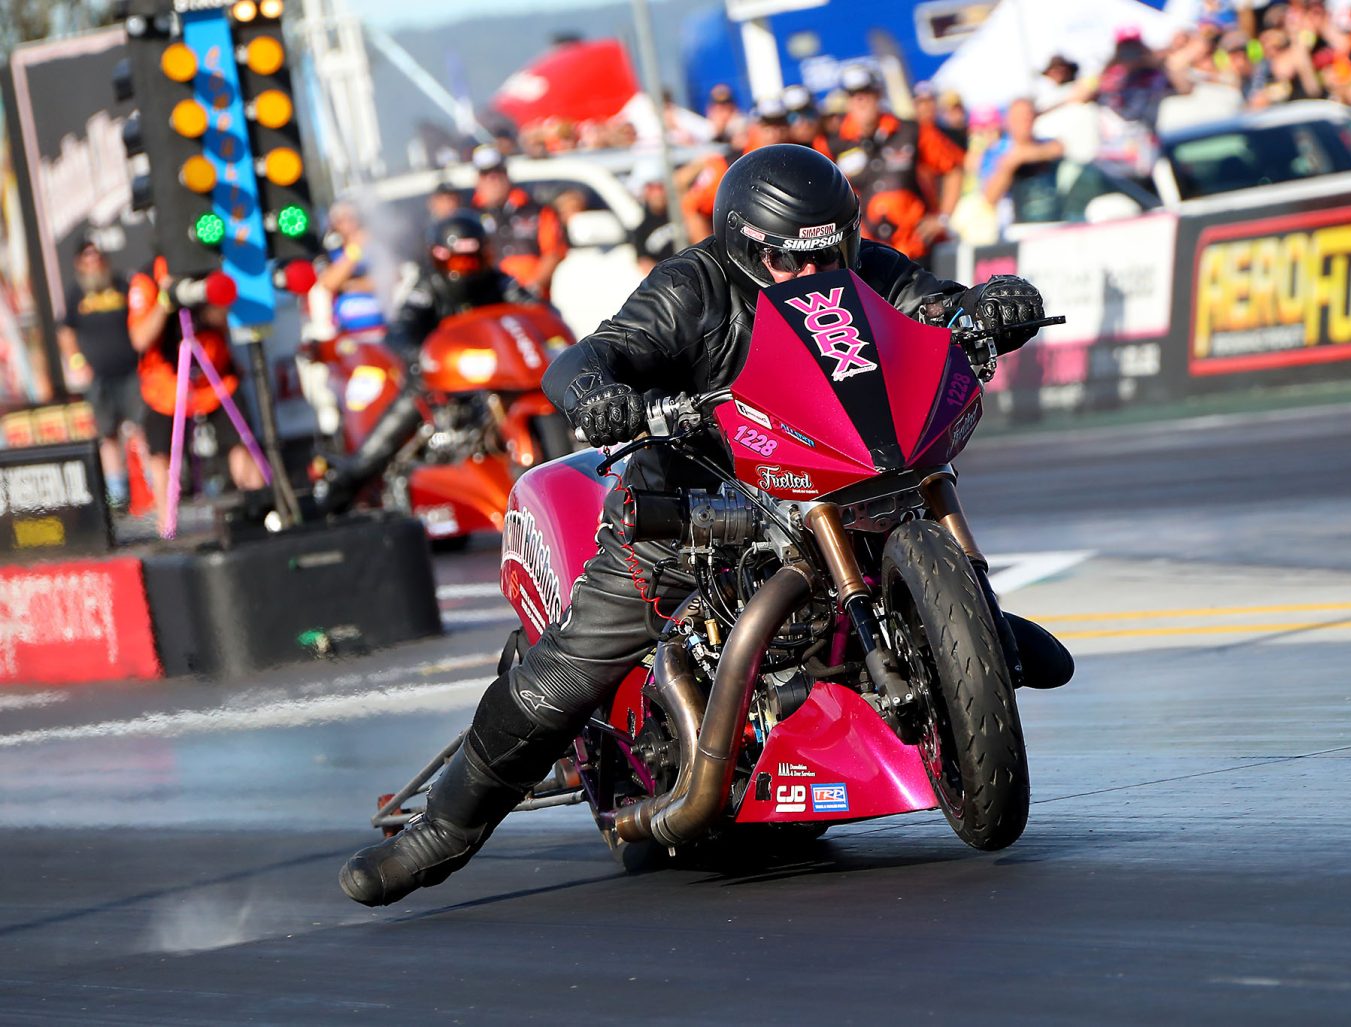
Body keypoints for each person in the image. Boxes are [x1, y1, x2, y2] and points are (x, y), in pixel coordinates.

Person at [338, 144, 1075, 908]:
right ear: (743, 244)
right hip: (698, 514)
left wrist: (987, 306)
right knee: (565, 672)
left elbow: (931, 304)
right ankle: (441, 833)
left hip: (838, 491)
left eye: (833, 250)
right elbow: (593, 354)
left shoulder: (863, 269)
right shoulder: (690, 288)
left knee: (914, 501)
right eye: (791, 259)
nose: (815, 272)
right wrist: (600, 392)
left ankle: (965, 628)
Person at [316, 212, 541, 512]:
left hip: (500, 373)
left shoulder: (501, 283)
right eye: (459, 263)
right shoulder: (427, 287)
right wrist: (418, 357)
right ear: (440, 260)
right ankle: (353, 472)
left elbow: (537, 311)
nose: (467, 270)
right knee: (415, 392)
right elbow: (401, 330)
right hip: (447, 376)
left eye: (473, 260)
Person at [126, 257, 264, 530]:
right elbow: (140, 338)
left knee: (241, 444)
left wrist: (204, 298)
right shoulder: (147, 276)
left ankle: (259, 511)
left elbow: (227, 319)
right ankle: (167, 525)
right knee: (161, 454)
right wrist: (167, 300)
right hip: (167, 387)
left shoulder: (209, 262)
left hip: (215, 380)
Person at [832, 65, 964, 265]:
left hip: (920, 246)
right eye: (853, 95)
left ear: (878, 94)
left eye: (866, 92)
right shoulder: (835, 144)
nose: (860, 100)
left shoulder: (911, 131)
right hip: (870, 254)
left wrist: (943, 218)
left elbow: (953, 167)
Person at [57, 240, 141, 509]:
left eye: (97, 255)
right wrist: (77, 361)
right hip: (99, 377)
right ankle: (117, 494)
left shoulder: (121, 284)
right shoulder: (75, 293)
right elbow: (65, 331)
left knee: (140, 428)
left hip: (130, 371)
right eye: (87, 256)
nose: (93, 261)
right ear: (79, 263)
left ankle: (149, 486)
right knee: (108, 434)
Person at [471, 145, 569, 302]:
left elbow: (553, 252)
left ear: (507, 174)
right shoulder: (470, 216)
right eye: (486, 174)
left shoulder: (536, 210)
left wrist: (532, 289)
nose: (493, 179)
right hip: (488, 301)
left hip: (532, 299)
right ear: (477, 179)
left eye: (498, 172)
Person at [318, 201, 387, 336]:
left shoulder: (375, 248)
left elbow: (387, 279)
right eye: (341, 220)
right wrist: (354, 250)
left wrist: (348, 284)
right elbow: (329, 283)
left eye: (351, 218)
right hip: (350, 333)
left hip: (382, 325)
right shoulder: (331, 253)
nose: (348, 224)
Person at [626, 159, 680, 274]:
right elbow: (643, 262)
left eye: (660, 187)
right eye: (652, 188)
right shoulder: (640, 228)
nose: (658, 193)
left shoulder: (683, 214)